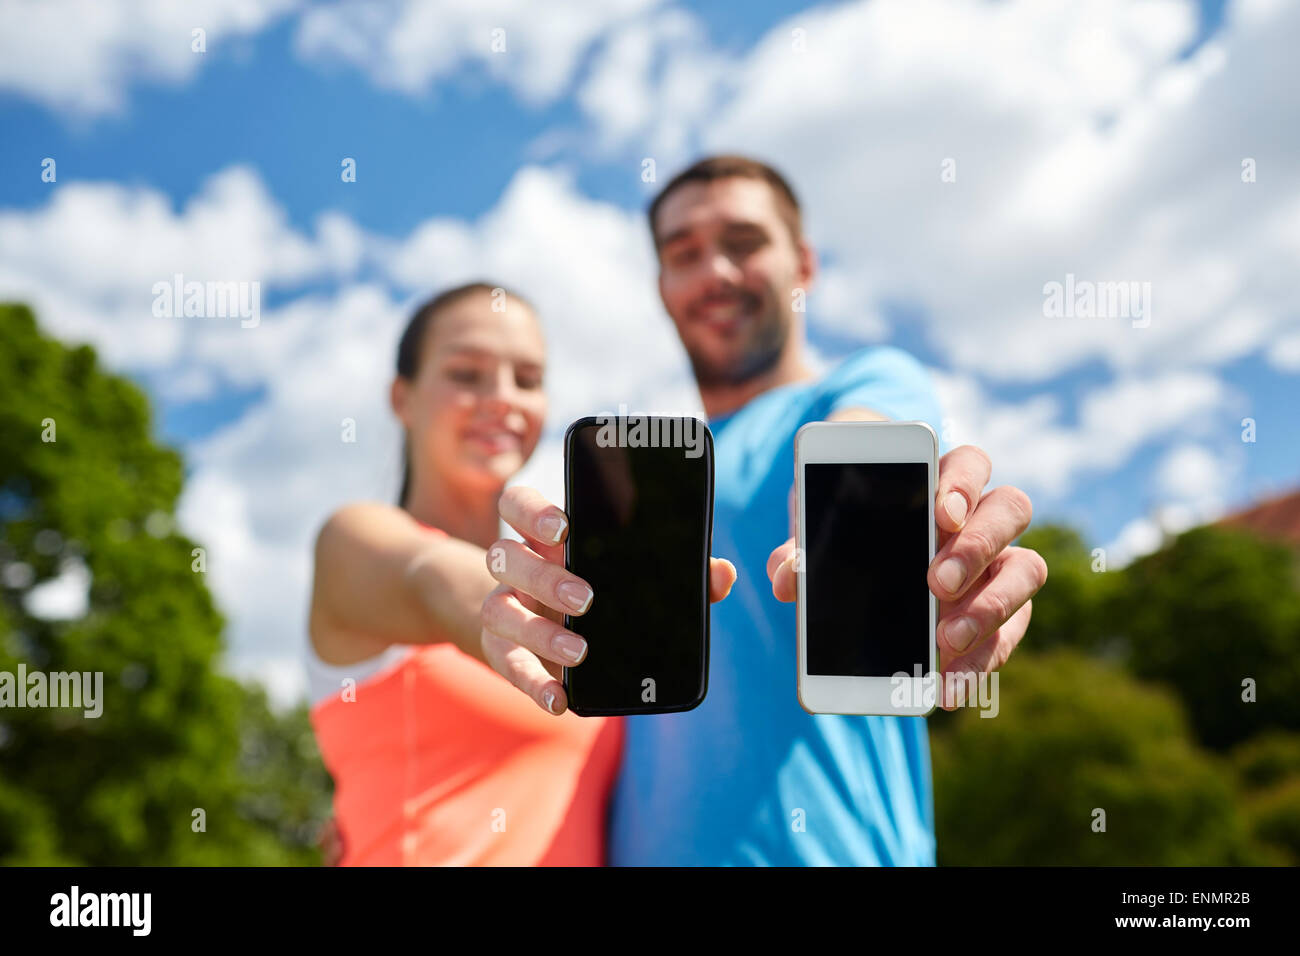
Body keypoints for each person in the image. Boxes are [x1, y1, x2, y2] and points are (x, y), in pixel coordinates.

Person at [479, 156, 1049, 865]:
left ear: (801, 264)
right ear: (663, 287)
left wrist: (899, 529)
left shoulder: (864, 384)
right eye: (684, 253)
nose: (715, 270)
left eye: (743, 242)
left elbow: (863, 439)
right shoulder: (647, 479)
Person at [305, 281, 736, 865]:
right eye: (466, 374)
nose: (502, 397)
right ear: (402, 398)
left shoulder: (563, 591)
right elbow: (427, 577)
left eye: (527, 379)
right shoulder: (354, 540)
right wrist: (502, 608)